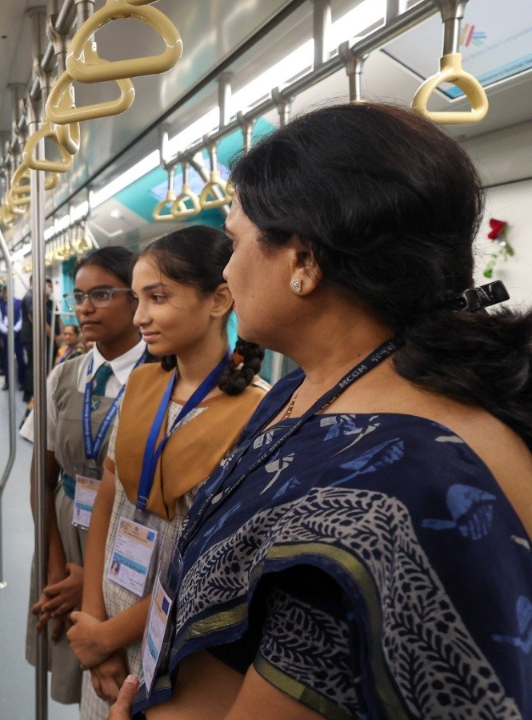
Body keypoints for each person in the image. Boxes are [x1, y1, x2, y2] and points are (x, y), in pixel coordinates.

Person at [109, 103, 532, 720]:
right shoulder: (306, 392)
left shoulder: (403, 483)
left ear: (303, 261)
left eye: (234, 241)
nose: (227, 268)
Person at [65, 226, 268, 720]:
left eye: (157, 298)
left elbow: (216, 571)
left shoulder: (258, 415)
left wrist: (110, 636)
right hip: (106, 628)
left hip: (174, 642)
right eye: (137, 299)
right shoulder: (142, 384)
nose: (140, 318)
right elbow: (108, 503)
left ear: (219, 299)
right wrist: (94, 622)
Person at [24, 247, 147, 707]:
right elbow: (43, 477)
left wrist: (89, 582)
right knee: (70, 662)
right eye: (79, 297)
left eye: (101, 294)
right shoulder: (63, 377)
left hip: (128, 543)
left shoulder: (160, 378)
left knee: (122, 676)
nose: (85, 308)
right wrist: (58, 568)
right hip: (62, 534)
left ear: (135, 301)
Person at [0, 284, 24, 390]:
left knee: (20, 359)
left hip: (17, 335)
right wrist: (6, 330)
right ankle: (7, 381)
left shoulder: (19, 303)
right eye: (5, 291)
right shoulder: (0, 304)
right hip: (5, 336)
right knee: (6, 359)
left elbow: (22, 318)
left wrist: (15, 329)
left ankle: (21, 381)